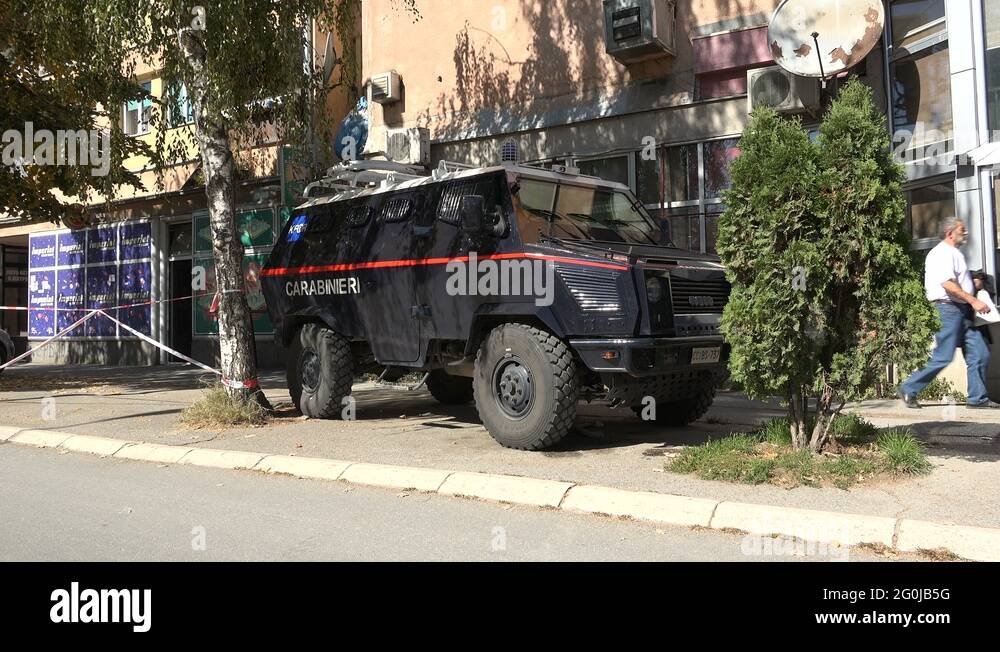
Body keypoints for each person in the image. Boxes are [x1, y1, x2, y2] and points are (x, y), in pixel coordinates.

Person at [899, 218, 998, 409]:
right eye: (962, 229)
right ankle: (909, 388)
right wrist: (974, 300)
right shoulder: (941, 253)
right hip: (948, 309)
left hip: (963, 311)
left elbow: (958, 281)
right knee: (943, 356)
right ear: (950, 233)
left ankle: (977, 398)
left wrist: (973, 284)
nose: (966, 232)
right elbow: (948, 285)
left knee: (980, 352)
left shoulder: (955, 253)